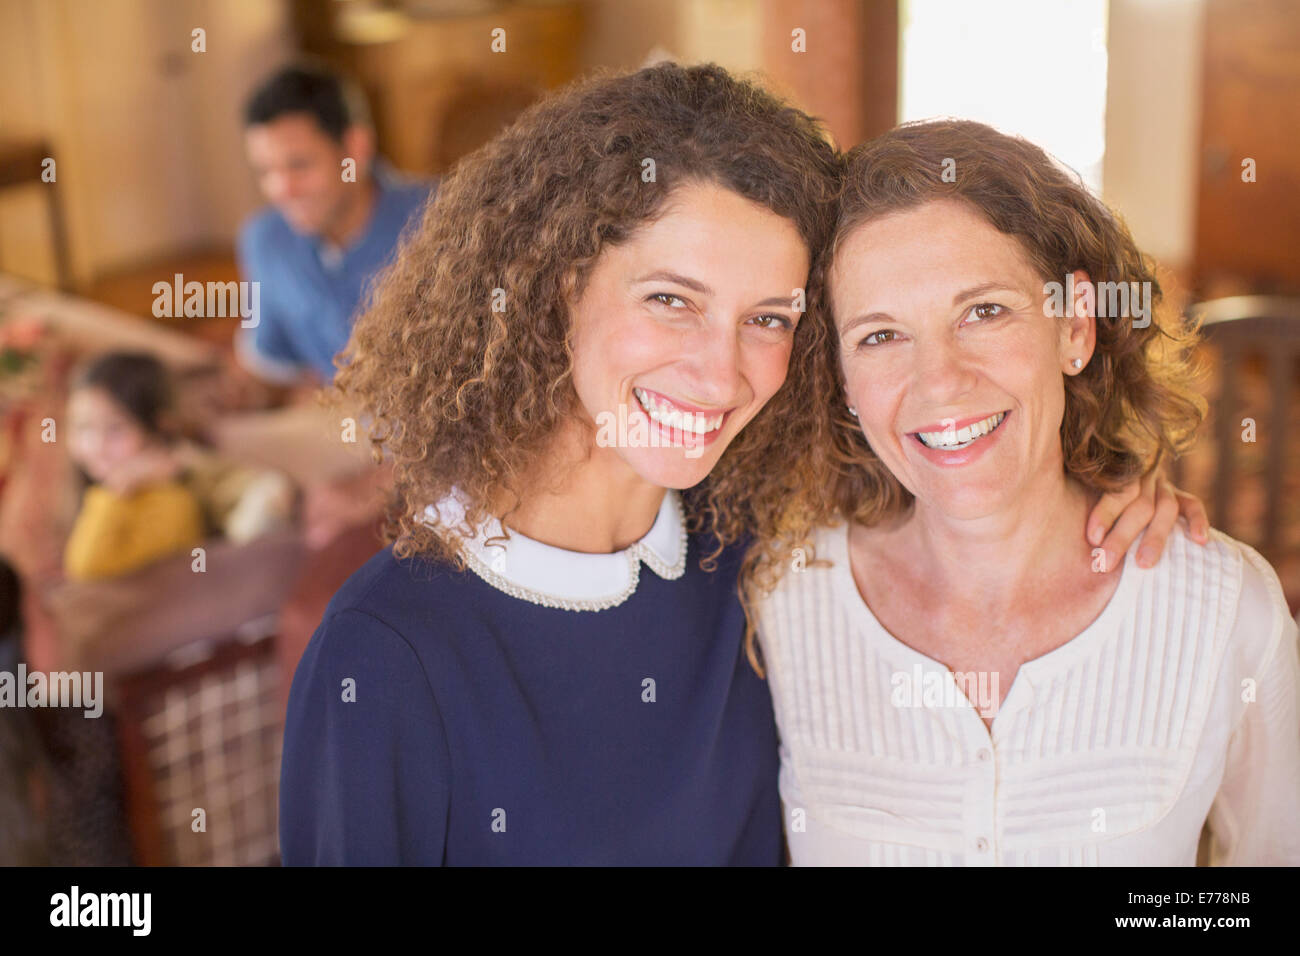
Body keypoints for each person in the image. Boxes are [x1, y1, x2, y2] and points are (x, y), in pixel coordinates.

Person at [279, 66, 1202, 865]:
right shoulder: (387, 653)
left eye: (768, 317)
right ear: (556, 287)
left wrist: (1107, 476)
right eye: (673, 300)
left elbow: (962, 468)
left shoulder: (761, 545)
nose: (721, 372)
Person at [752, 119, 1300, 866]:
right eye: (880, 336)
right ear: (840, 378)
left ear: (1075, 324)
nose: (940, 380)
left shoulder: (1227, 610)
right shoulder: (779, 598)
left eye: (983, 311)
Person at [237, 62, 433, 388]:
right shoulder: (265, 240)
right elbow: (272, 368)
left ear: (355, 148)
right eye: (265, 171)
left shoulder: (442, 221)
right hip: (338, 430)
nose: (281, 190)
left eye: (299, 165)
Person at [63, 352, 205, 581]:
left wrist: (114, 492)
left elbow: (85, 568)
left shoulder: (173, 503)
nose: (96, 446)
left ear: (159, 429)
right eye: (83, 428)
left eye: (115, 429)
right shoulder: (86, 488)